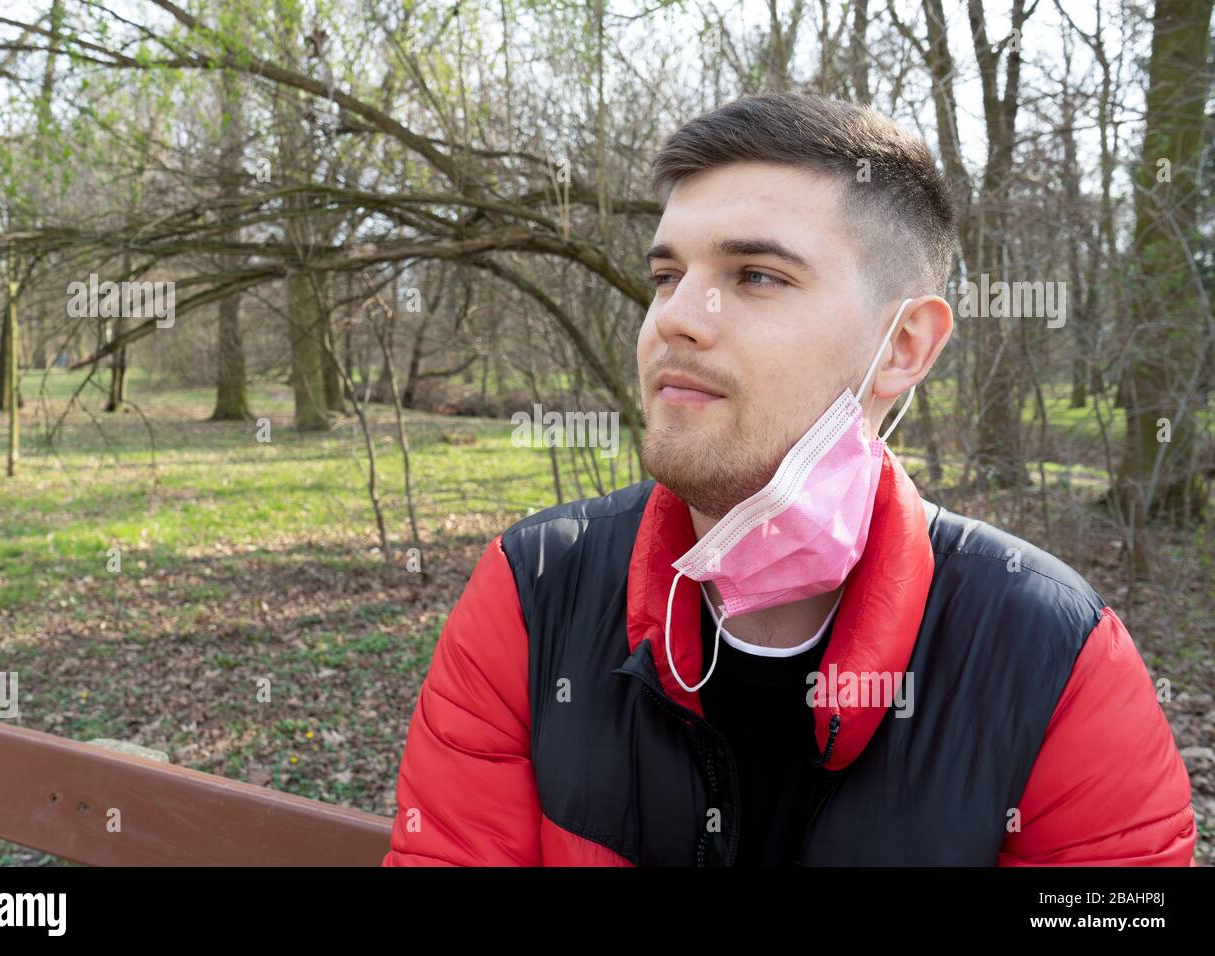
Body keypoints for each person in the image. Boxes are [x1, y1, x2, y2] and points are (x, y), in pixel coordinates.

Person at [381, 92, 1196, 866]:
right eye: (666, 276)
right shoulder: (535, 589)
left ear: (904, 346)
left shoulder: (1052, 654)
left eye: (756, 276)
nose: (674, 318)